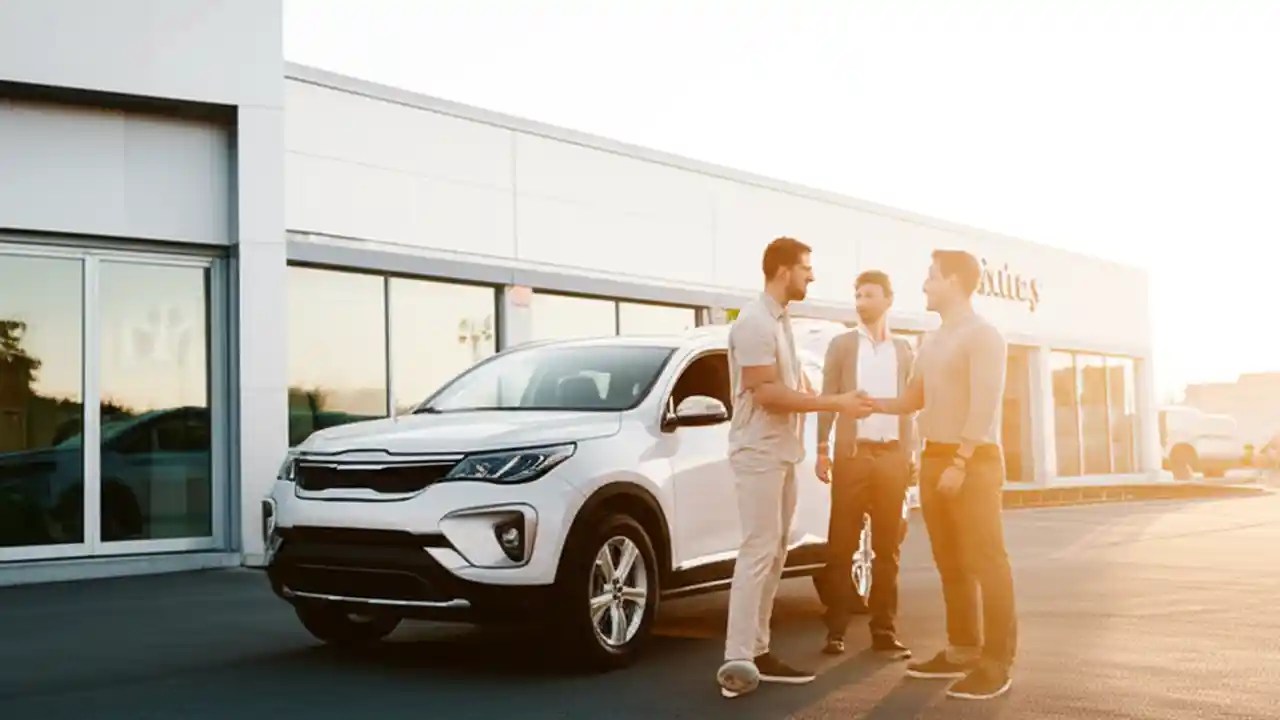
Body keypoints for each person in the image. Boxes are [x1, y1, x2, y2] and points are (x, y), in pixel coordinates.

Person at [717, 236, 874, 700]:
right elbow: (766, 393)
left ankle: (758, 652)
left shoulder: (781, 321)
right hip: (758, 453)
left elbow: (797, 387)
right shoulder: (752, 323)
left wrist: (839, 404)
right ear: (784, 270)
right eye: (807, 267)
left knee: (775, 552)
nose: (812, 275)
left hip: (782, 453)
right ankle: (737, 658)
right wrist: (835, 402)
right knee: (758, 550)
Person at [871, 249, 1017, 701]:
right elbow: (914, 397)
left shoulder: (984, 336)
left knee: (986, 562)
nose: (924, 286)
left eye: (931, 278)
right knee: (950, 561)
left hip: (971, 461)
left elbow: (985, 404)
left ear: (954, 281)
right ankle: (961, 649)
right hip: (935, 457)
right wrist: (869, 403)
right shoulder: (931, 341)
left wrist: (961, 461)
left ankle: (996, 663)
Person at [814, 270, 916, 660]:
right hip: (852, 456)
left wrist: (912, 455)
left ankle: (884, 630)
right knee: (841, 546)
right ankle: (835, 630)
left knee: (888, 549)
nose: (861, 301)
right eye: (857, 294)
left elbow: (911, 408)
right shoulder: (841, 346)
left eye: (869, 295)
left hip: (892, 456)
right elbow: (828, 396)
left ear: (888, 300)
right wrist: (823, 447)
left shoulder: (905, 350)